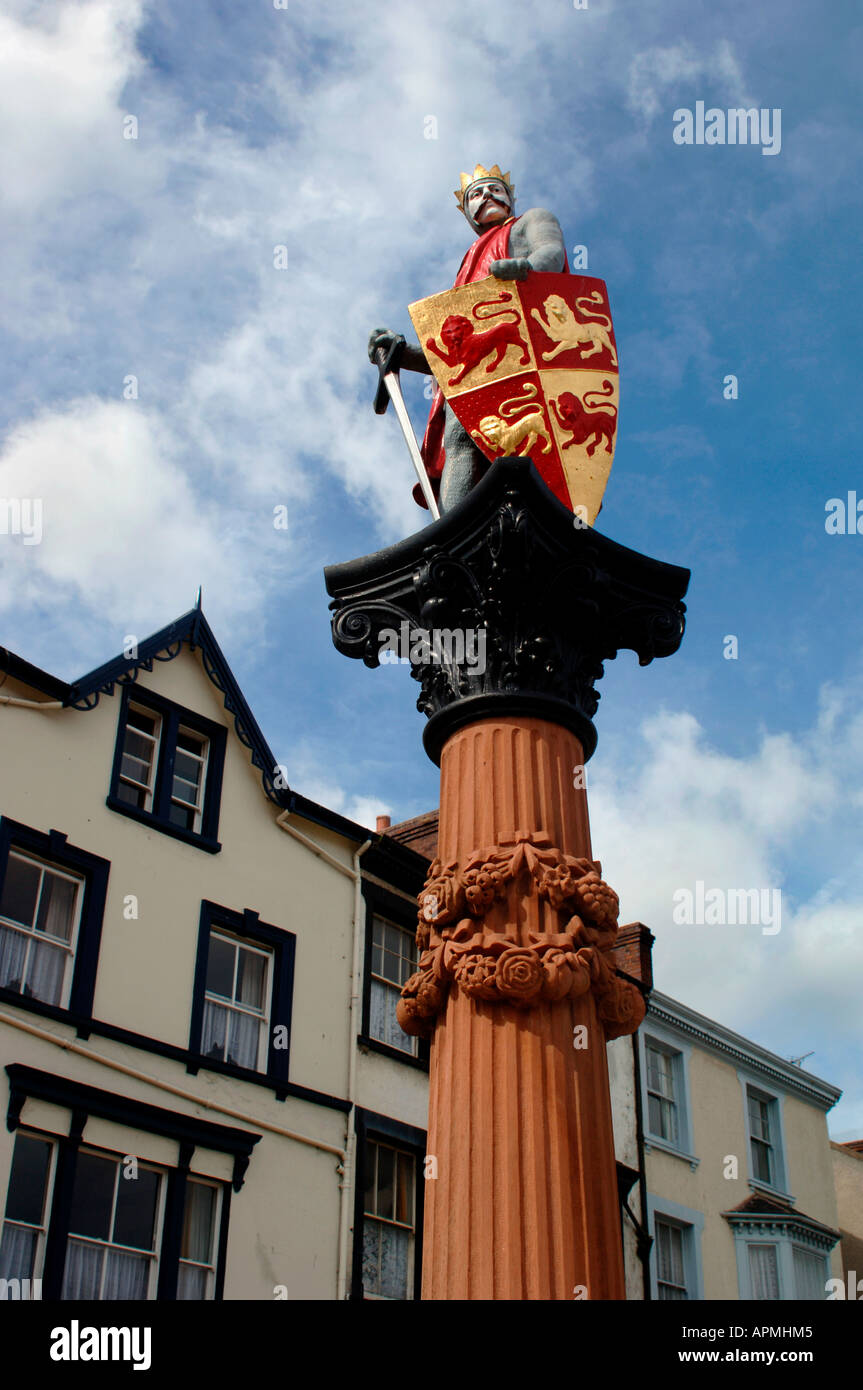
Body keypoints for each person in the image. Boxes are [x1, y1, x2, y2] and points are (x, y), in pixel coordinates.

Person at [369, 165, 568, 512]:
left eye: (494, 189)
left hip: (528, 357)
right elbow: (455, 360)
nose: (487, 196)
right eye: (476, 194)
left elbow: (551, 255)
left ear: (510, 197)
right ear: (466, 212)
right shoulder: (467, 269)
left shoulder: (530, 221)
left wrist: (524, 268)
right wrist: (402, 353)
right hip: (475, 378)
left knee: (531, 448)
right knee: (459, 437)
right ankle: (454, 533)